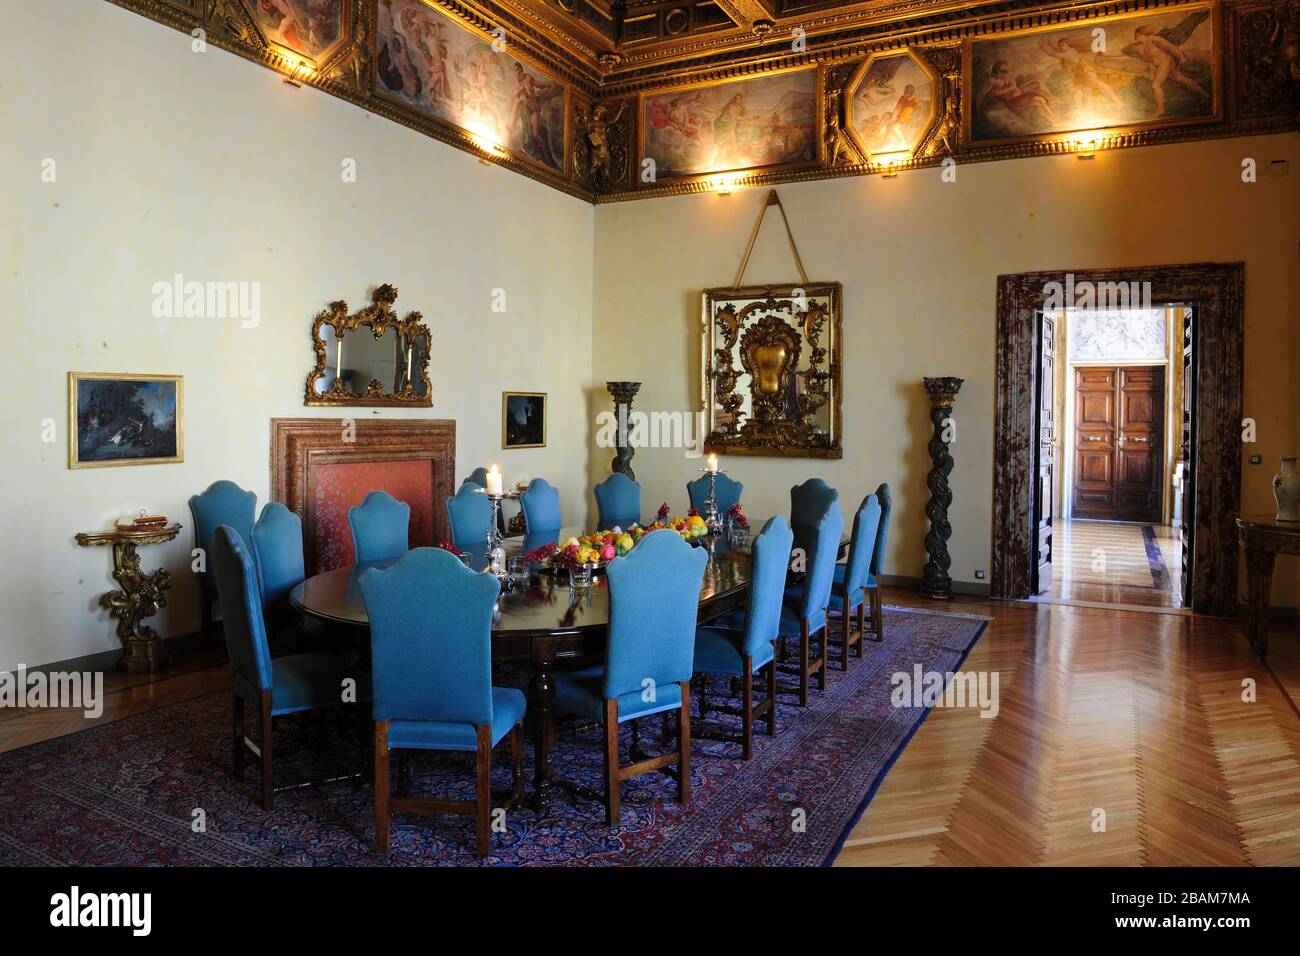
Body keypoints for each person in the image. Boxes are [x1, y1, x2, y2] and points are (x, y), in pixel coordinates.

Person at [1129, 24, 1210, 117]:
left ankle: (1160, 110)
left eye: (1136, 35)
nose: (1135, 37)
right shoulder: (1141, 47)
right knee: (1180, 79)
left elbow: (1170, 47)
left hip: (1166, 63)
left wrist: (1181, 57)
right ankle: (1204, 94)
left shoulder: (1154, 39)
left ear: (1141, 34)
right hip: (1162, 65)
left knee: (1155, 85)